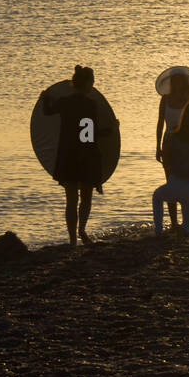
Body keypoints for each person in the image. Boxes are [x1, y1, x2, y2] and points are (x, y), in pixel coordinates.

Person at [40, 65, 109, 247]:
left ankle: (72, 241)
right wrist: (111, 130)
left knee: (71, 200)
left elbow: (46, 111)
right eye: (92, 82)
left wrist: (44, 98)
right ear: (87, 83)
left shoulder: (64, 102)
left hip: (67, 155)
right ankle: (82, 231)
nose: (93, 85)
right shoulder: (90, 104)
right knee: (86, 198)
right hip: (85, 155)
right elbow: (90, 134)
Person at [152, 102, 189, 236]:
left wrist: (165, 152)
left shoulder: (173, 137)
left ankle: (158, 231)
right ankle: (184, 230)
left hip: (176, 184)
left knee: (157, 196)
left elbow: (167, 164)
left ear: (183, 117)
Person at [155, 71, 189, 231]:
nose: (178, 83)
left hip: (185, 143)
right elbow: (160, 122)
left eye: (181, 80)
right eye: (175, 80)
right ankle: (173, 222)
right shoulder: (165, 99)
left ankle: (186, 220)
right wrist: (157, 145)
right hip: (168, 142)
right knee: (170, 182)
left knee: (185, 178)